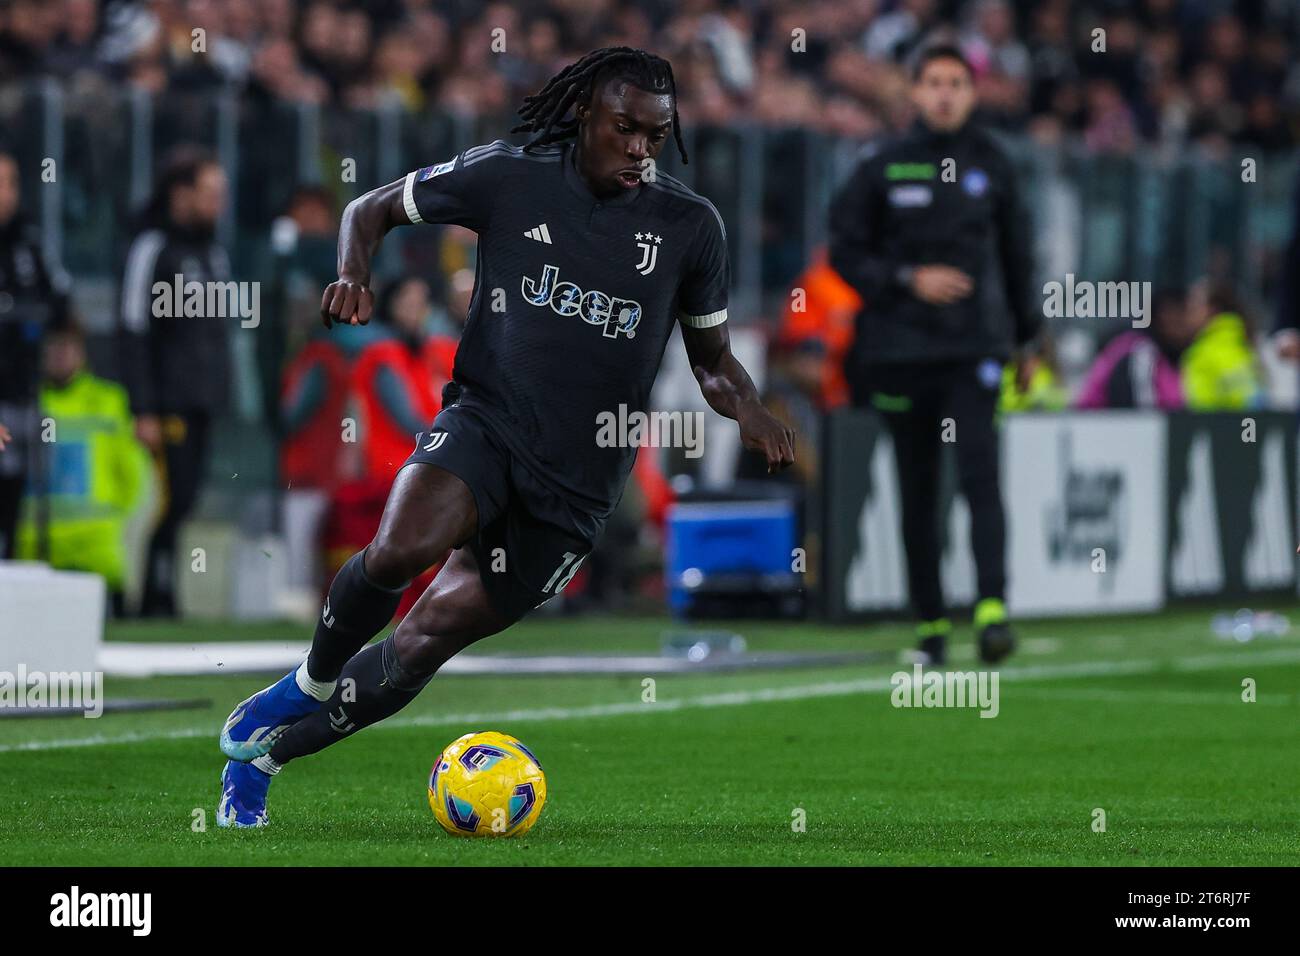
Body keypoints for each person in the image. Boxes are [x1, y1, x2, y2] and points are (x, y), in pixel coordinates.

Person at [216, 47, 795, 827]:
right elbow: (371, 208)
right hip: (486, 422)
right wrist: (355, 271)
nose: (639, 150)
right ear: (587, 114)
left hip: (578, 487)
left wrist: (747, 407)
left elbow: (714, 361)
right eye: (625, 129)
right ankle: (308, 683)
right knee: (397, 551)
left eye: (655, 137)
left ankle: (265, 762)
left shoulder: (689, 228)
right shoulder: (509, 174)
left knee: (423, 641)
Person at [829, 44, 1038, 666]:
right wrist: (905, 280)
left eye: (957, 83)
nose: (945, 94)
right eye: (934, 83)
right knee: (917, 488)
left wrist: (1028, 339)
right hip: (901, 353)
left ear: (972, 93)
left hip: (975, 348)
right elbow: (844, 251)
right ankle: (930, 622)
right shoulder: (882, 165)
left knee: (981, 475)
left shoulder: (996, 165)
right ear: (914, 92)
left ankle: (993, 610)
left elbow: (1018, 259)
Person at [117, 147, 232, 616]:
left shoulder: (213, 253)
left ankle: (162, 595)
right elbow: (133, 329)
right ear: (180, 194)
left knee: (184, 500)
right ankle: (148, 598)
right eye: (209, 193)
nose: (218, 204)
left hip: (201, 400)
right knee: (166, 501)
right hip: (165, 403)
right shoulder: (151, 248)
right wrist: (143, 407)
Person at [16, 322, 151, 615]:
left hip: (96, 555)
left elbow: (131, 470)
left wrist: (114, 513)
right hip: (34, 554)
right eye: (52, 347)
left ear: (82, 353)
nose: (59, 355)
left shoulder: (108, 400)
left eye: (67, 347)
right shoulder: (24, 403)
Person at [0, 150, 71, 559]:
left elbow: (58, 301)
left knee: (14, 490)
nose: (4, 194)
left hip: (22, 392)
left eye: (10, 183)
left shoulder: (29, 244)